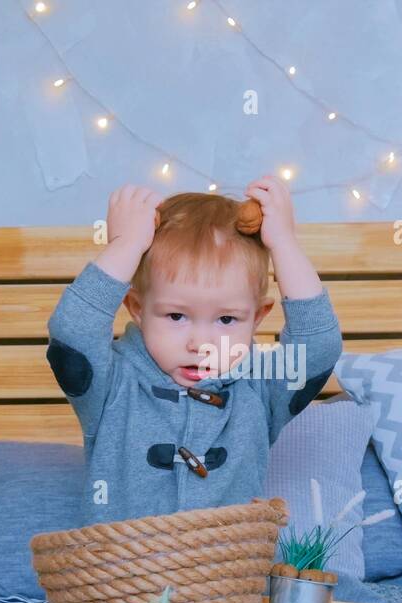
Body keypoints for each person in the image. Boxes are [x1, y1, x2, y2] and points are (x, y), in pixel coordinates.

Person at [46, 178, 342, 525]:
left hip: (230, 577)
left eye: (227, 319)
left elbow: (318, 349)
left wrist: (285, 245)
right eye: (176, 315)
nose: (201, 344)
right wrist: (125, 246)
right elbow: (73, 332)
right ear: (137, 309)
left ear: (258, 318)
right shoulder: (113, 384)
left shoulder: (261, 387)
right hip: (125, 576)